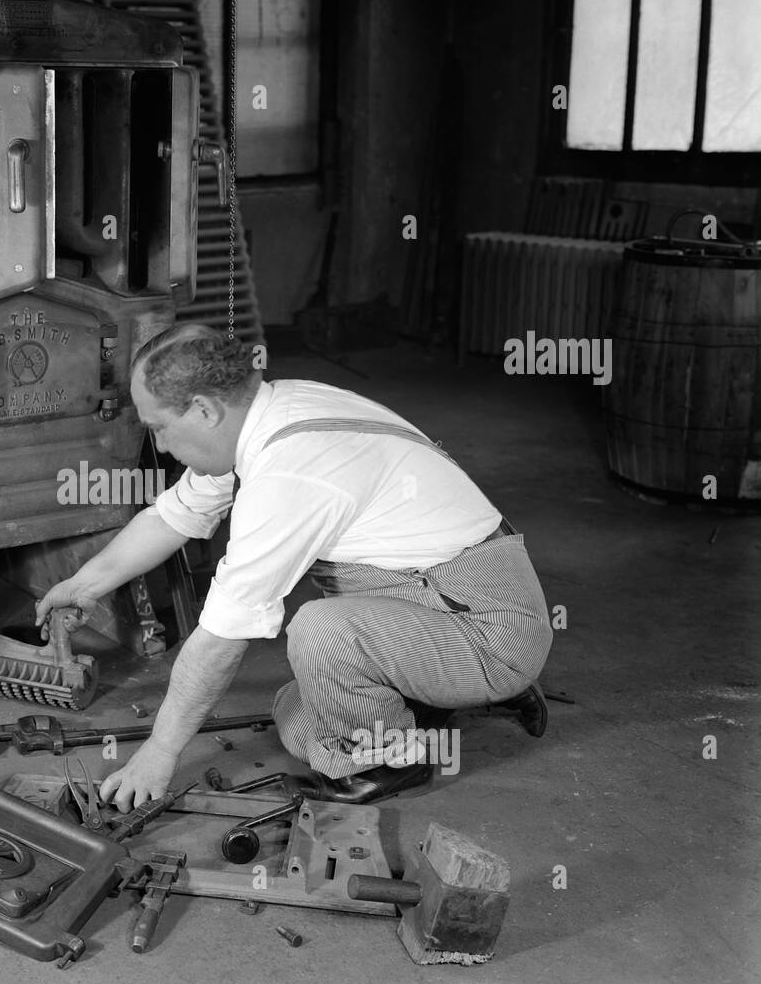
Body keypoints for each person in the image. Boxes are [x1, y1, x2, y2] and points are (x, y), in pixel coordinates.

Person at [36, 323, 553, 811]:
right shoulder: (269, 413)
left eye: (158, 429)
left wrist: (159, 753)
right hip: (440, 605)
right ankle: (434, 693)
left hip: (488, 629)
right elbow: (178, 514)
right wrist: (83, 586)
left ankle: (393, 761)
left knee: (320, 635)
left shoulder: (291, 473)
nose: (162, 446)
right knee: (295, 714)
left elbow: (221, 638)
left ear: (203, 410)